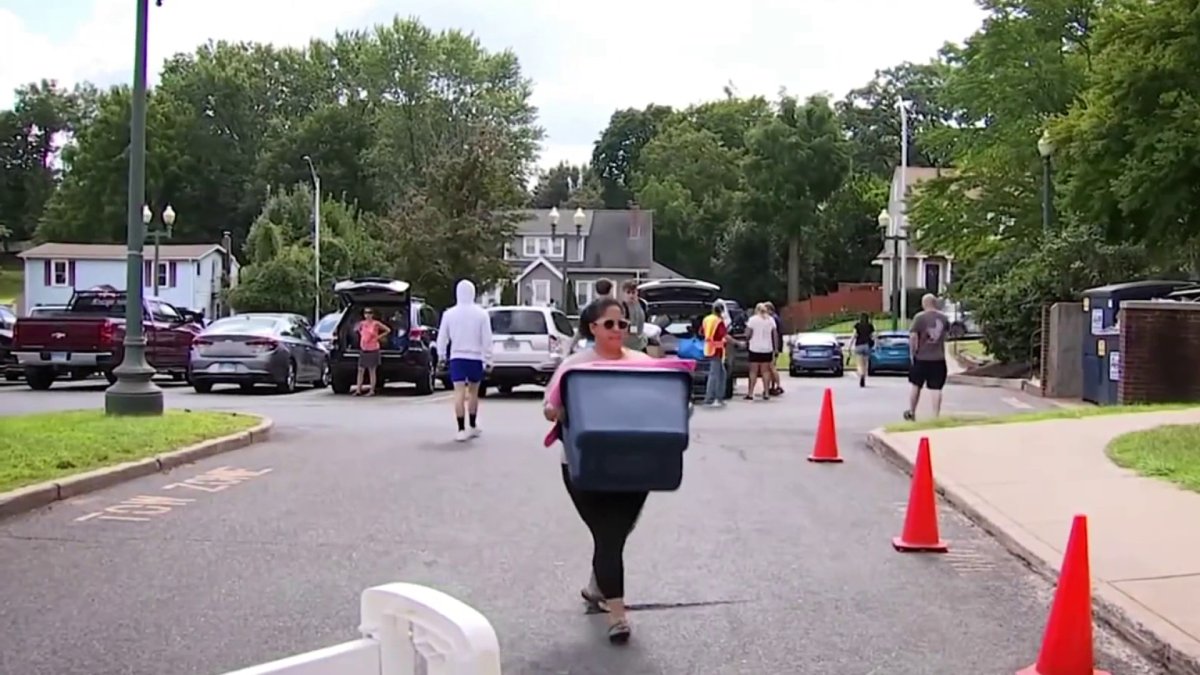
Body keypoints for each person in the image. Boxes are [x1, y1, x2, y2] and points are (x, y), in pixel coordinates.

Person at [542, 297, 653, 644]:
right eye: (610, 324)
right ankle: (618, 617)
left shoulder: (644, 363)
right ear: (593, 328)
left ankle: (596, 586)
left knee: (616, 534)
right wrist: (562, 412)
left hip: (635, 465)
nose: (618, 330)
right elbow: (549, 406)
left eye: (623, 324)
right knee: (609, 535)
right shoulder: (575, 365)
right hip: (584, 466)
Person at [436, 280, 494, 441]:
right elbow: (487, 339)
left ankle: (460, 429)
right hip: (475, 357)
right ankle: (473, 425)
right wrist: (488, 358)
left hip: (457, 357)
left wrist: (441, 356)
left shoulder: (449, 314)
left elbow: (442, 337)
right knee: (473, 393)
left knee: (458, 393)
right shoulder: (482, 314)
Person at [905, 293, 951, 421]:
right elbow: (947, 335)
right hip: (938, 358)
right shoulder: (944, 318)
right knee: (936, 388)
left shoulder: (919, 318)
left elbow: (913, 337)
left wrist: (913, 353)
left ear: (924, 303)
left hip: (921, 358)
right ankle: (935, 415)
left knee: (916, 385)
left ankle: (912, 412)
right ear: (935, 303)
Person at [744, 302, 777, 400]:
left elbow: (748, 334)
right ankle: (766, 393)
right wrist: (775, 348)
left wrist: (746, 340)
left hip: (754, 348)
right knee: (765, 372)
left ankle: (750, 393)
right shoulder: (770, 320)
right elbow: (774, 335)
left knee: (753, 372)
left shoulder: (752, 320)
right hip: (767, 349)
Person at [701, 301, 729, 407]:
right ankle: (711, 398)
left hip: (708, 348)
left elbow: (702, 332)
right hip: (716, 349)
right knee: (715, 375)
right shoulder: (718, 321)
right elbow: (725, 336)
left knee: (721, 373)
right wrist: (738, 343)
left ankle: (718, 396)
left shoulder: (706, 319)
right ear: (721, 311)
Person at [620, 279, 647, 352]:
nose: (631, 295)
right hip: (627, 344)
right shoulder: (622, 307)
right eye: (628, 292)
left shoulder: (642, 304)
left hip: (640, 342)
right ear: (623, 293)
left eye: (633, 292)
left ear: (637, 292)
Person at [764, 301, 785, 396]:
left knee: (771, 367)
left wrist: (775, 348)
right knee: (771, 367)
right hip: (775, 346)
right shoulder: (776, 318)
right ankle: (772, 386)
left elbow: (774, 334)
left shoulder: (773, 319)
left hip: (772, 347)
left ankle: (777, 386)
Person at [851, 312, 875, 388]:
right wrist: (876, 345)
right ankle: (864, 375)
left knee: (859, 363)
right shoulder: (870, 326)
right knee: (865, 364)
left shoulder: (857, 326)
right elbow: (873, 336)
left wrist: (850, 345)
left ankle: (861, 374)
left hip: (858, 345)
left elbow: (854, 335)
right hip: (867, 346)